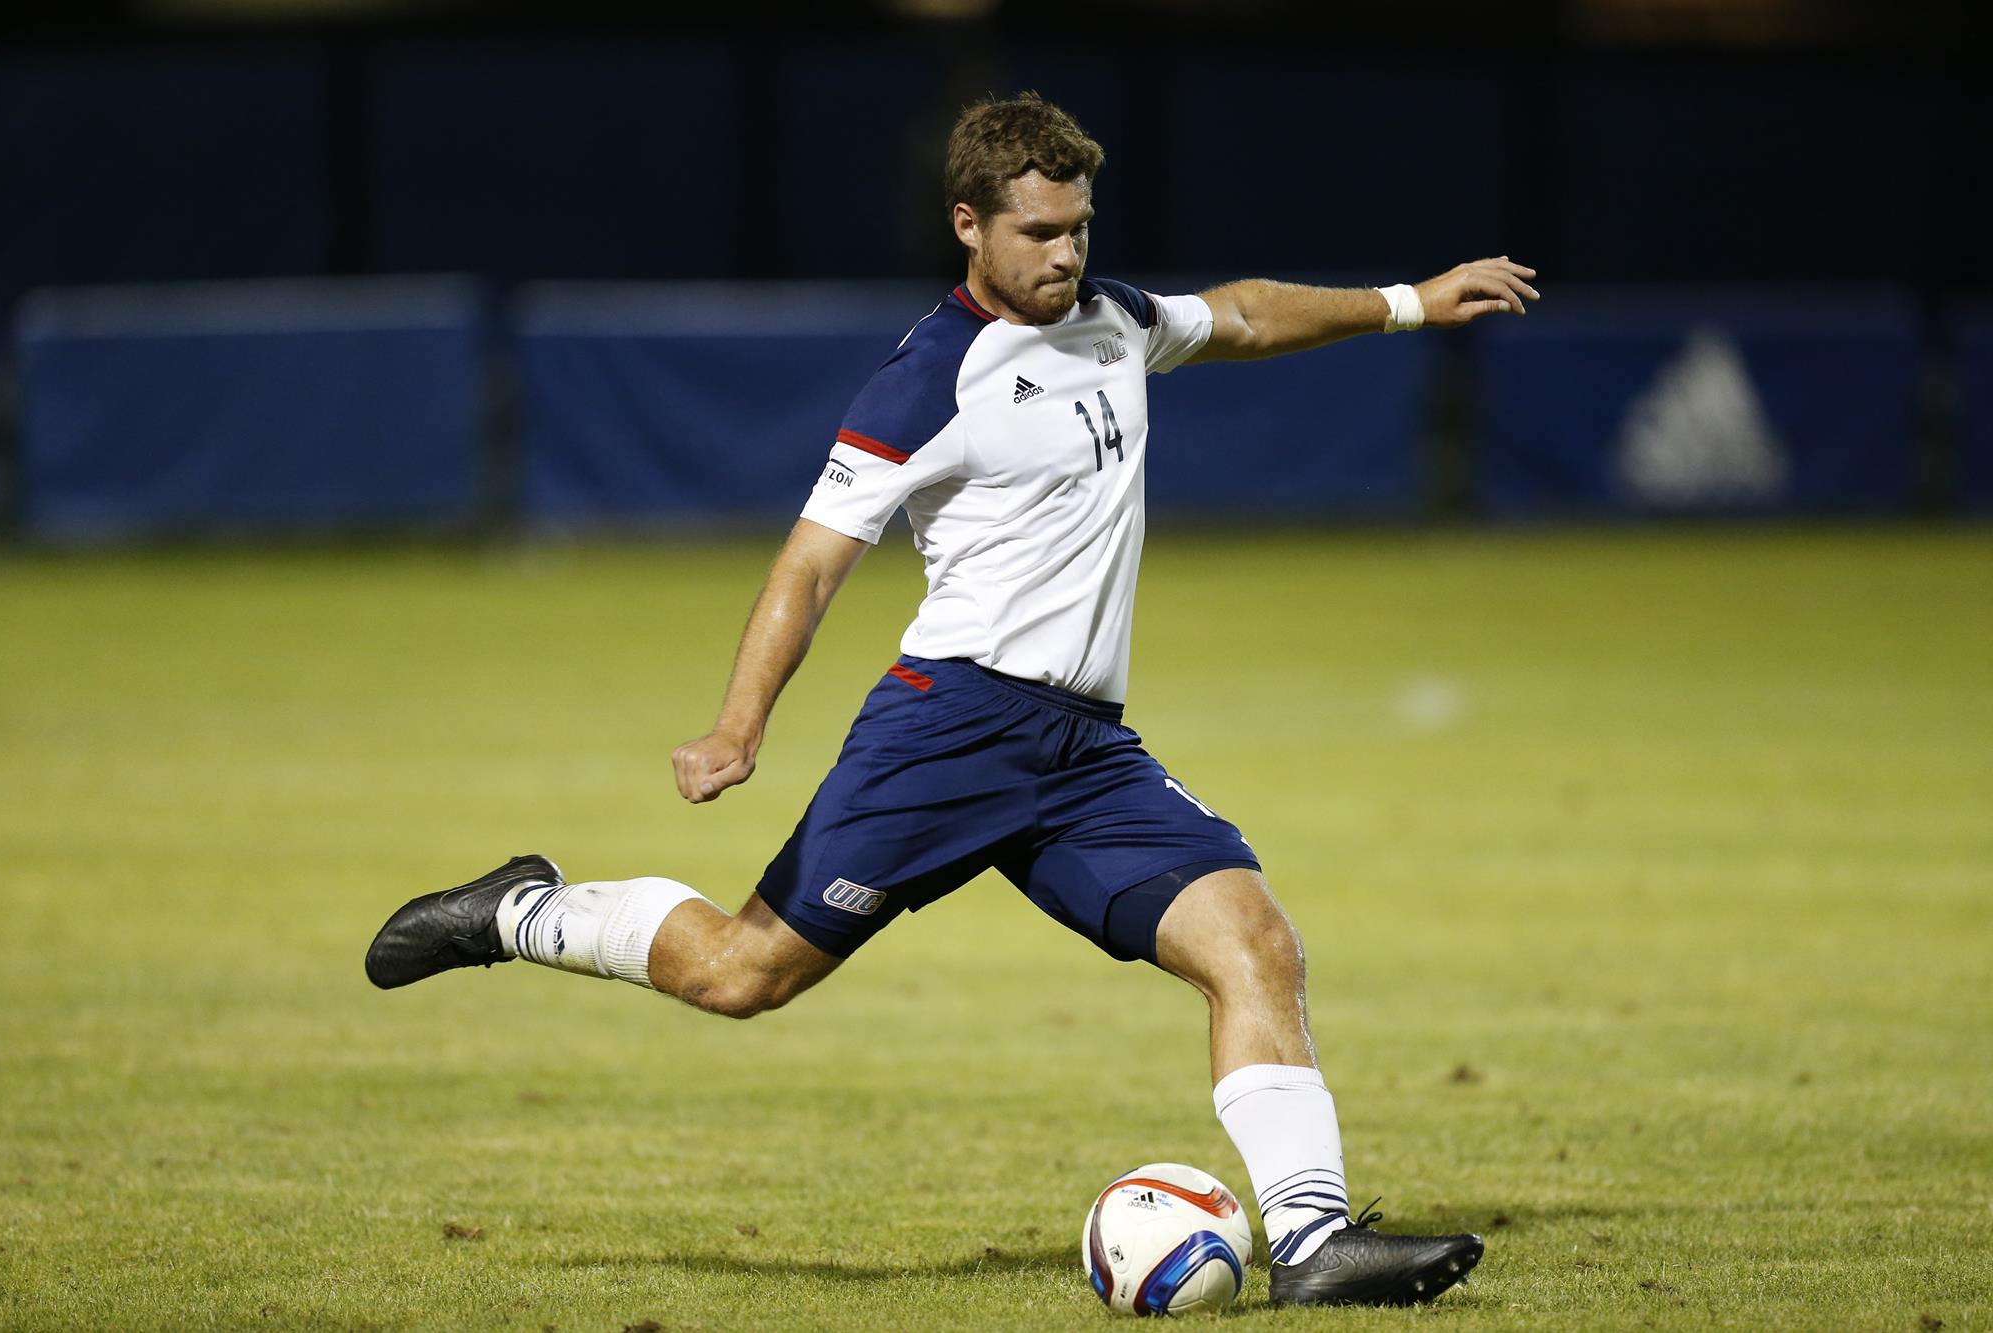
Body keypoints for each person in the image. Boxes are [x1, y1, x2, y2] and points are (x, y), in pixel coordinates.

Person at [366, 91, 1538, 1308]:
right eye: (1039, 232)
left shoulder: (1113, 320)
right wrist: (738, 724)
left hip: (1085, 753)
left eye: (1079, 226)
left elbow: (1240, 315)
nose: (1067, 253)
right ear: (968, 224)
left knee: (1254, 942)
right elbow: (812, 562)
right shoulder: (928, 381)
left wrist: (1408, 301)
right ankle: (520, 910)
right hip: (950, 728)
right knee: (738, 973)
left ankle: (1309, 1242)